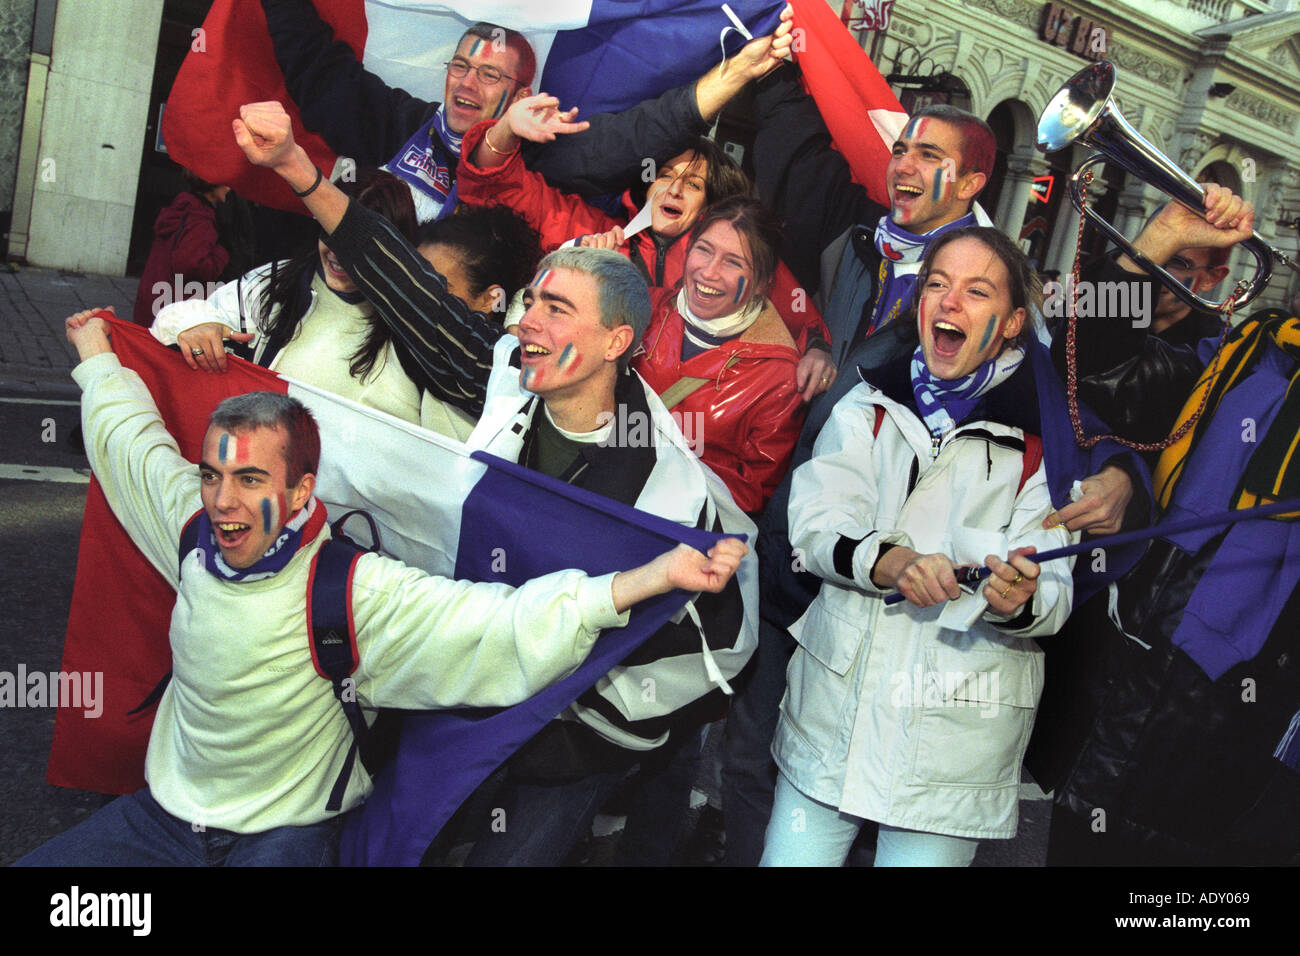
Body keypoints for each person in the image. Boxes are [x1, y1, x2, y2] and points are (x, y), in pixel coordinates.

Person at [17, 308, 746, 867]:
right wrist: (98, 360)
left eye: (249, 480)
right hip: (165, 824)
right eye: (211, 475)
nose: (223, 502)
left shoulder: (353, 591)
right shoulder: (188, 528)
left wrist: (651, 577)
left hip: (284, 840)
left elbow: (497, 621)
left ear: (304, 493)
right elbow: (130, 443)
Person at [233, 99, 757, 865]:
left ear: (618, 340)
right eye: (533, 299)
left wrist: (583, 716)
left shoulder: (664, 487)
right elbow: (404, 282)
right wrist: (298, 170)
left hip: (572, 740)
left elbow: (720, 642)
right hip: (468, 688)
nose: (528, 322)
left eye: (556, 308)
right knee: (409, 837)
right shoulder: (503, 380)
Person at [760, 227, 1077, 866]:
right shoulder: (866, 404)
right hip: (831, 724)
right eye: (937, 283)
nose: (949, 302)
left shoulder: (1050, 438)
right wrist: (892, 561)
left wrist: (1020, 597)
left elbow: (1058, 590)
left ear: (1015, 321)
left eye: (977, 291)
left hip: (952, 752)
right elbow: (817, 523)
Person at [1030, 185, 1300, 865]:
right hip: (1124, 685)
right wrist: (1154, 244)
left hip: (1239, 743)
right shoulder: (1245, 351)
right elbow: (1081, 356)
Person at [259, 0, 789, 224]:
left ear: (518, 96)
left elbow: (637, 136)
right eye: (460, 66)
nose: (468, 82)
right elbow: (320, 74)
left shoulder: (539, 160)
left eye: (490, 74)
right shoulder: (404, 125)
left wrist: (738, 73)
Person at [632, 196, 805, 515]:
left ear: (762, 284)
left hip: (679, 525)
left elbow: (752, 494)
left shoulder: (781, 378)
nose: (708, 272)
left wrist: (656, 477)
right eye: (704, 250)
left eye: (733, 262)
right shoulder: (645, 308)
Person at [133, 168, 232, 326]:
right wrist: (222, 253)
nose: (229, 187)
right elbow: (191, 265)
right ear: (211, 183)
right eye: (225, 183)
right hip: (174, 311)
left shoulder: (183, 209)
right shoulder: (201, 220)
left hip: (155, 302)